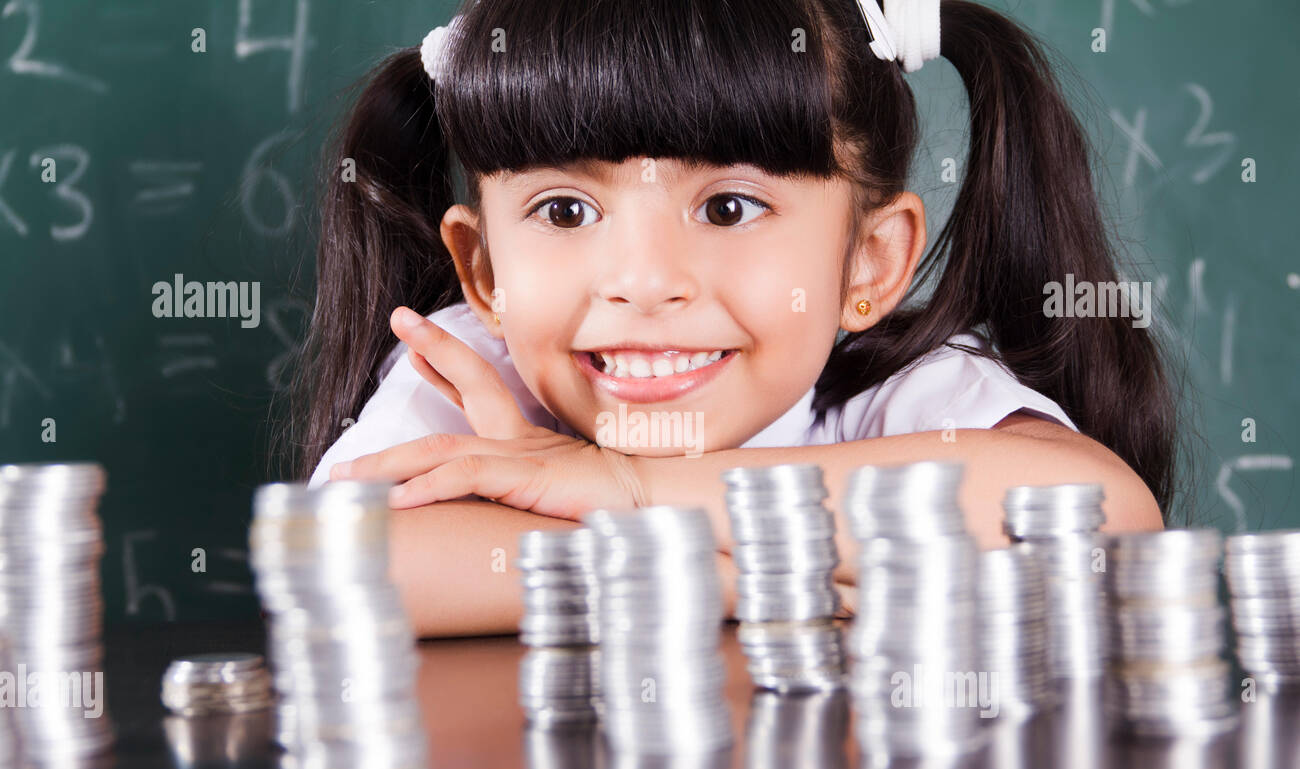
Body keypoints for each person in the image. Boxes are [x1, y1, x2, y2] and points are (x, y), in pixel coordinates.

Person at [284, 0, 1176, 637]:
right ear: (482, 270)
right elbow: (331, 568)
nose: (643, 282)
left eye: (728, 208)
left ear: (869, 263)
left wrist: (624, 489)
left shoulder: (892, 387)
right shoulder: (482, 372)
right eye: (563, 211)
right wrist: (730, 578)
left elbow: (1105, 516)